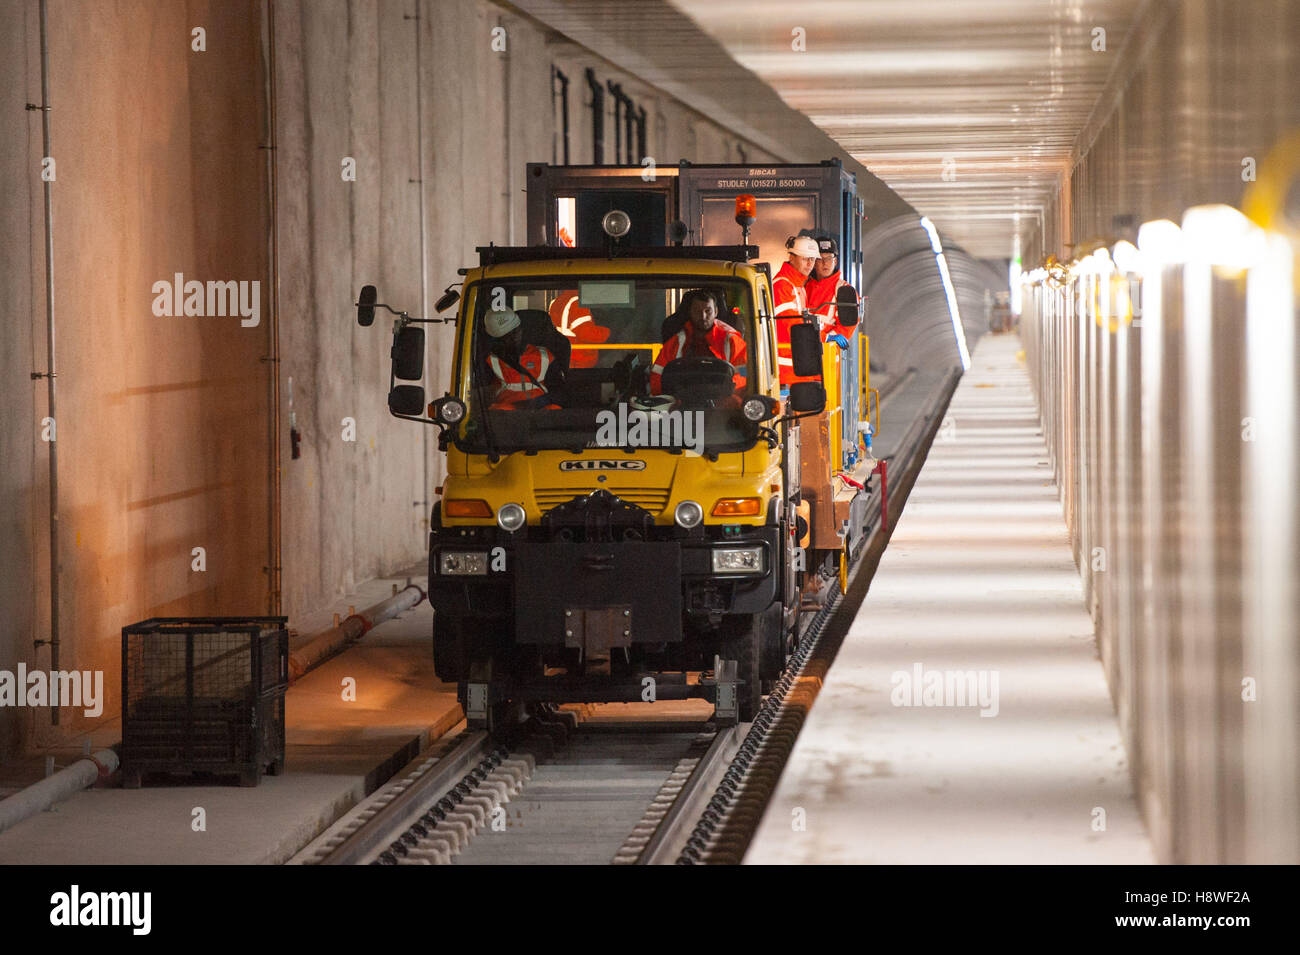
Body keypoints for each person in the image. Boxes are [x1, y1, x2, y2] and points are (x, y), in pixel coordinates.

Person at [649, 289, 747, 397]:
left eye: (708, 311)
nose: (703, 316)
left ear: (716, 312)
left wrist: (729, 397)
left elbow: (744, 373)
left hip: (723, 405)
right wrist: (666, 401)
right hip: (683, 403)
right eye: (697, 311)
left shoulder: (732, 342)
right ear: (690, 312)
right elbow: (657, 375)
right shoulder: (676, 342)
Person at [482, 307, 560, 409]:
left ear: (521, 329)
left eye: (515, 331)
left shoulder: (544, 356)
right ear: (498, 339)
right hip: (505, 417)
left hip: (540, 411)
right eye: (507, 335)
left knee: (554, 408)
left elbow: (558, 391)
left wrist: (540, 403)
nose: (513, 337)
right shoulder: (490, 361)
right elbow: (483, 395)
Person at [772, 234, 819, 382]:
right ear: (792, 257)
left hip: (796, 368)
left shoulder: (798, 286)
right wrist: (823, 336)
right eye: (805, 258)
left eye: (812, 259)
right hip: (785, 371)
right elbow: (792, 327)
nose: (810, 264)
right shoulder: (782, 286)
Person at [802, 232, 860, 340]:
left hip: (829, 353)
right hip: (805, 349)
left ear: (835, 261)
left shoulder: (844, 290)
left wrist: (828, 339)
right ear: (814, 262)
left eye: (829, 258)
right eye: (820, 259)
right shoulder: (804, 287)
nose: (825, 263)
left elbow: (847, 327)